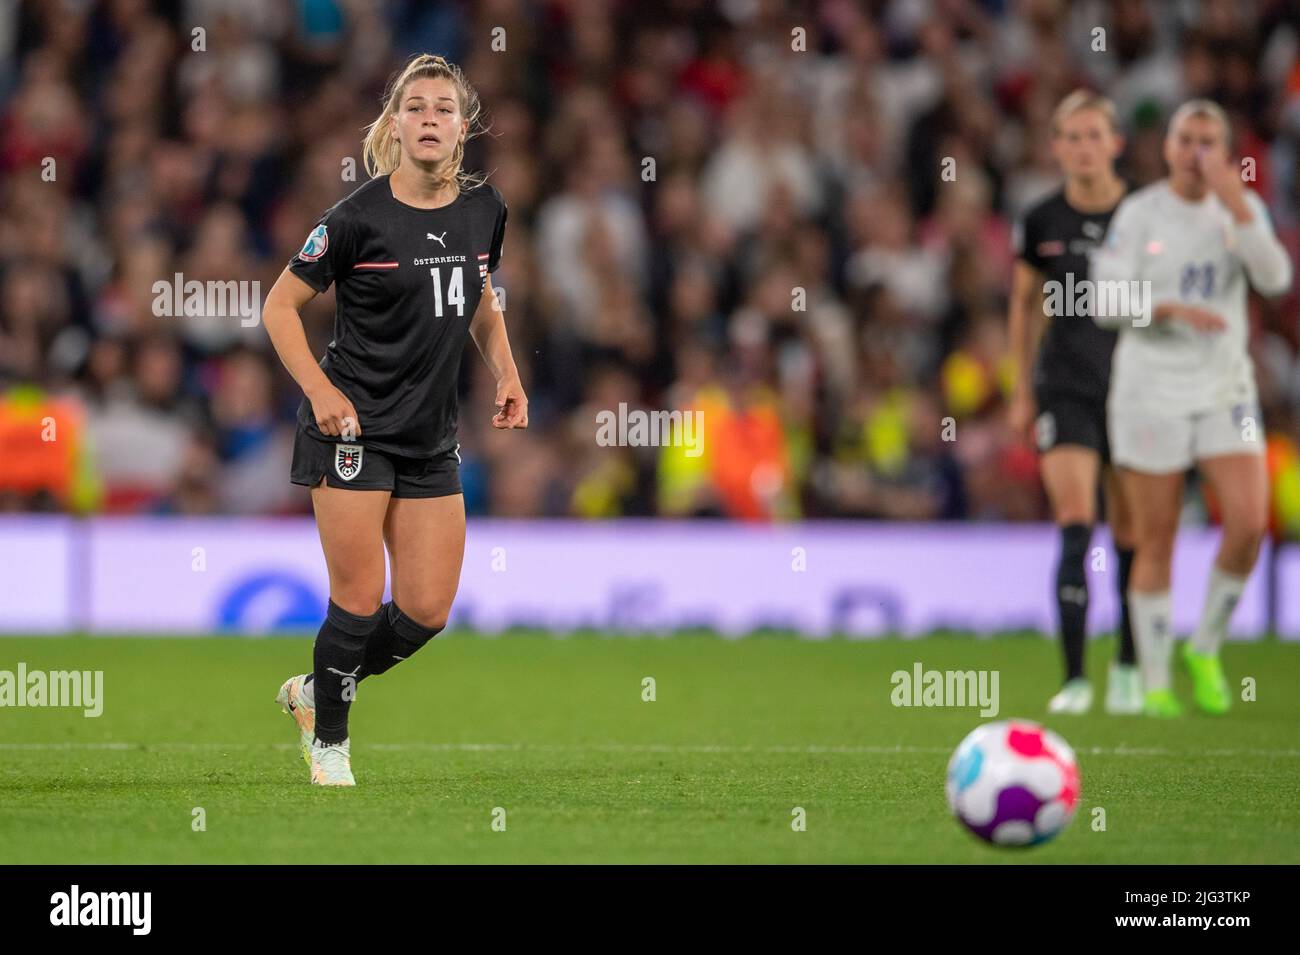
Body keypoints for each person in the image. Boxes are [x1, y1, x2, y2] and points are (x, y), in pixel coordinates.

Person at [262, 54, 527, 784]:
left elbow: (477, 295)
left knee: (425, 611)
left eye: (444, 107)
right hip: (351, 430)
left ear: (464, 126)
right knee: (355, 599)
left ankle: (317, 691)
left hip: (428, 438)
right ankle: (332, 745)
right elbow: (278, 307)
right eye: (416, 107)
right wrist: (319, 390)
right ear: (396, 125)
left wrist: (506, 370)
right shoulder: (355, 219)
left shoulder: (486, 210)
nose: (430, 118)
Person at [1091, 99, 1292, 716]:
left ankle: (1204, 645)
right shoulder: (1139, 212)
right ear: (1167, 147)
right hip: (1150, 391)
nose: (1195, 152)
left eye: (1209, 141)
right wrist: (1165, 308)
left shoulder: (1241, 213)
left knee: (1250, 521)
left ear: (1227, 155)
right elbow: (1101, 301)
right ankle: (1155, 682)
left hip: (1223, 390)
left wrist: (1240, 209)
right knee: (1157, 537)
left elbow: (1278, 279)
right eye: (1186, 139)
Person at [1008, 91, 1139, 715]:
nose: (1083, 147)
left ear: (1115, 143)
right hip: (1065, 386)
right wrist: (1018, 387)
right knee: (1075, 519)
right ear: (1056, 146)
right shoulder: (1040, 221)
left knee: (1133, 534)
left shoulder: (1145, 216)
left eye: (1094, 135)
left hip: (1137, 388)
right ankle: (1075, 680)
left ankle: (1132, 668)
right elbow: (1023, 304)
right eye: (1071, 136)